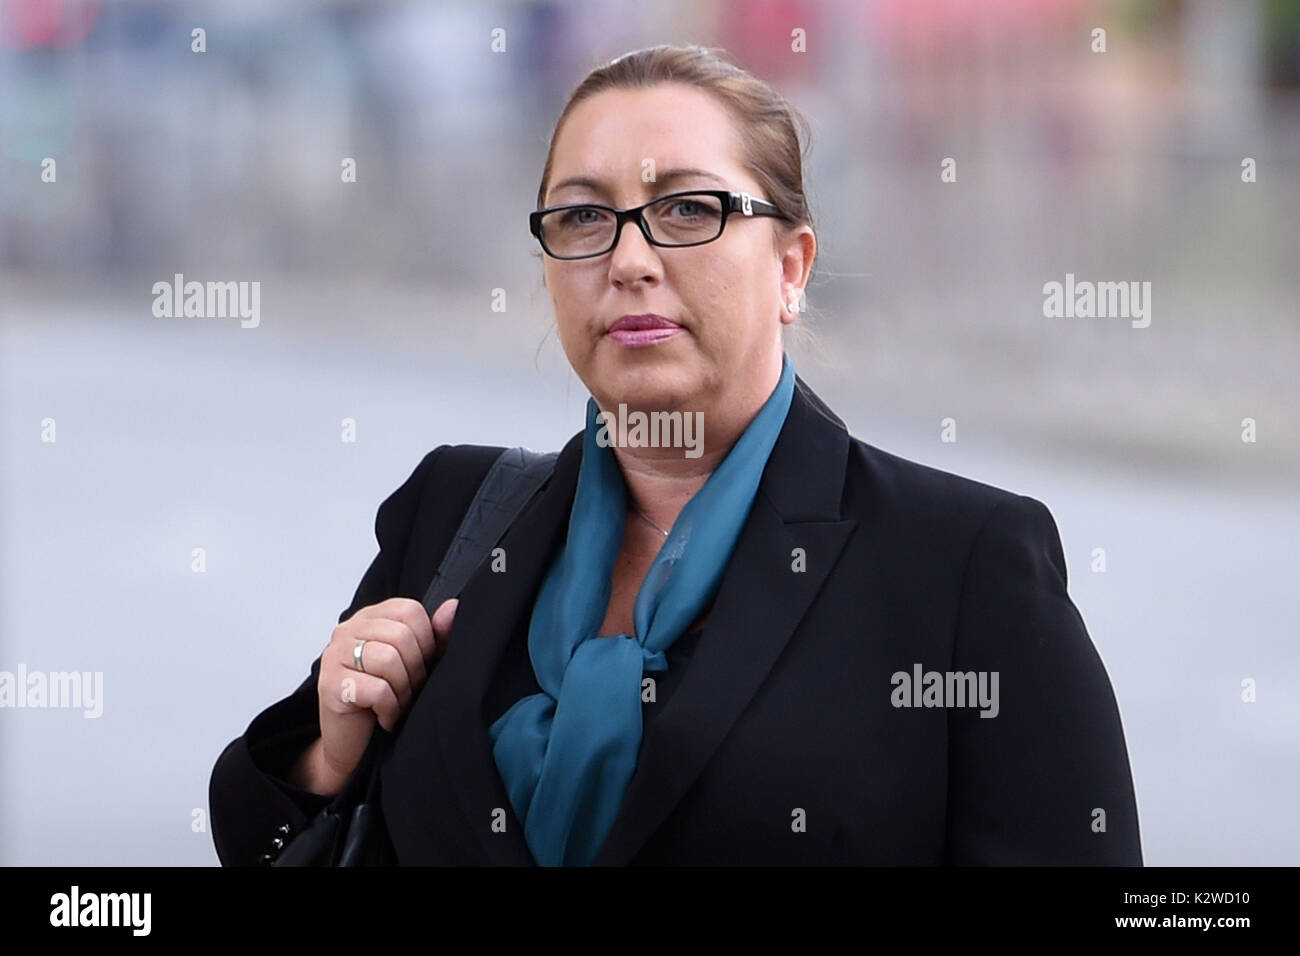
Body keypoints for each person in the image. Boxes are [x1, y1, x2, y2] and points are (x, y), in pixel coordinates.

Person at [209, 44, 1142, 867]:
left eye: (688, 209)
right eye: (582, 219)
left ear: (791, 267)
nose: (628, 259)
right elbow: (264, 835)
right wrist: (329, 752)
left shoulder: (963, 567)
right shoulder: (457, 511)